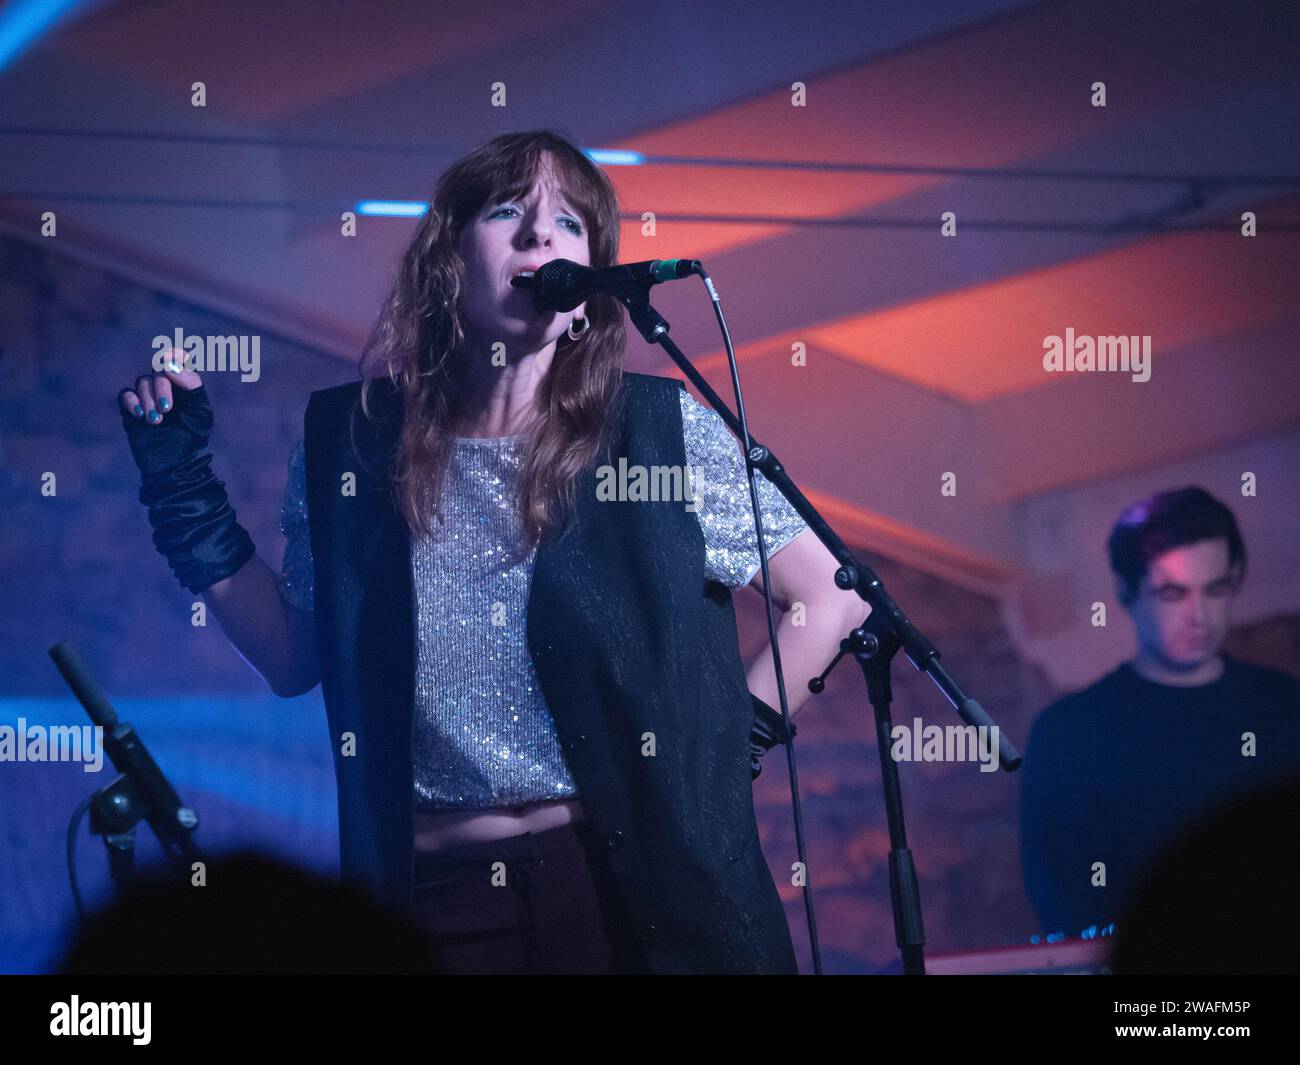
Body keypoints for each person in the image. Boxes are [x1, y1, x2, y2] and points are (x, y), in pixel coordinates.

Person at [117, 129, 866, 974]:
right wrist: (184, 496)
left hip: (635, 890)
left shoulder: (659, 436)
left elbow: (833, 593)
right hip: (439, 896)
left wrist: (727, 748)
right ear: (448, 261)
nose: (543, 236)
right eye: (509, 211)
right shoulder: (355, 446)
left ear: (585, 295)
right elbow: (294, 656)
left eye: (571, 224)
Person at [1019, 486, 1300, 937]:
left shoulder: (1283, 707)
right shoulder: (1070, 733)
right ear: (1127, 592)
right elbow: (1063, 904)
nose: (1200, 616)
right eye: (1173, 594)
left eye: (1216, 589)